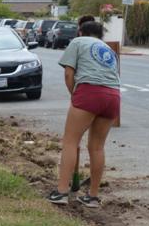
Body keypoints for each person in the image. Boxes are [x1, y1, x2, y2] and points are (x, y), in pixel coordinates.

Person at [48, 19, 120, 208]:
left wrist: (75, 96)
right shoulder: (108, 49)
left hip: (89, 92)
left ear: (80, 32)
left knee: (70, 141)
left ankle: (61, 192)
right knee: (97, 147)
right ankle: (93, 196)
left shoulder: (78, 42)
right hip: (113, 96)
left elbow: (68, 74)